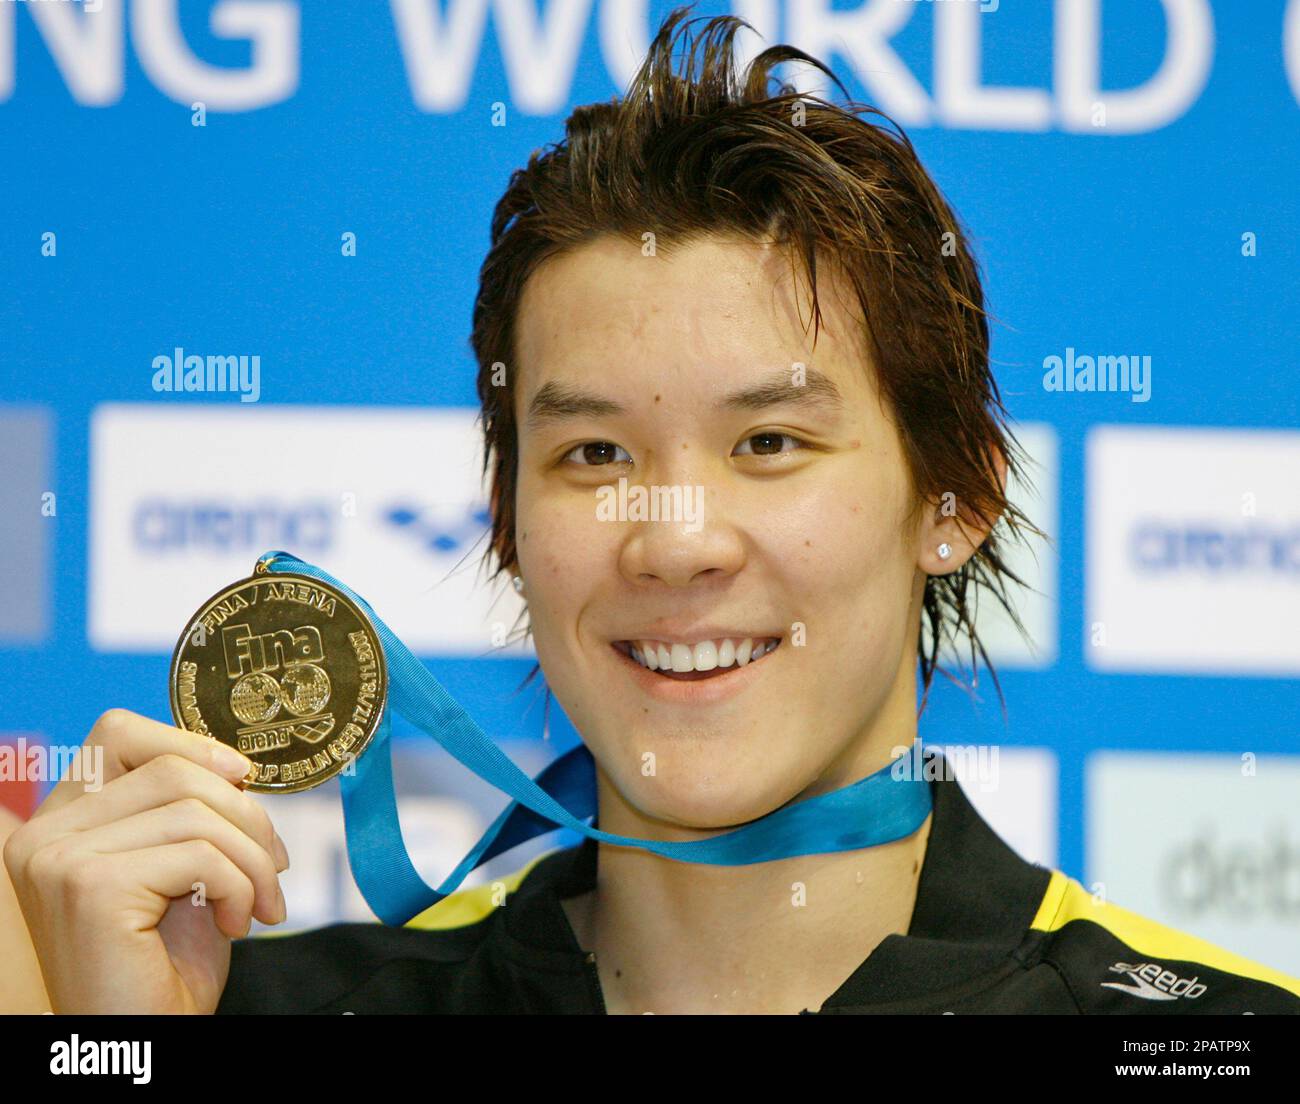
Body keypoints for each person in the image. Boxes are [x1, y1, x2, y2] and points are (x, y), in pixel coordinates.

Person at [3, 8, 1297, 1016]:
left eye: (771, 441)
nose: (675, 537)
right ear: (507, 521)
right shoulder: (244, 1007)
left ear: (954, 500)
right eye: (596, 450)